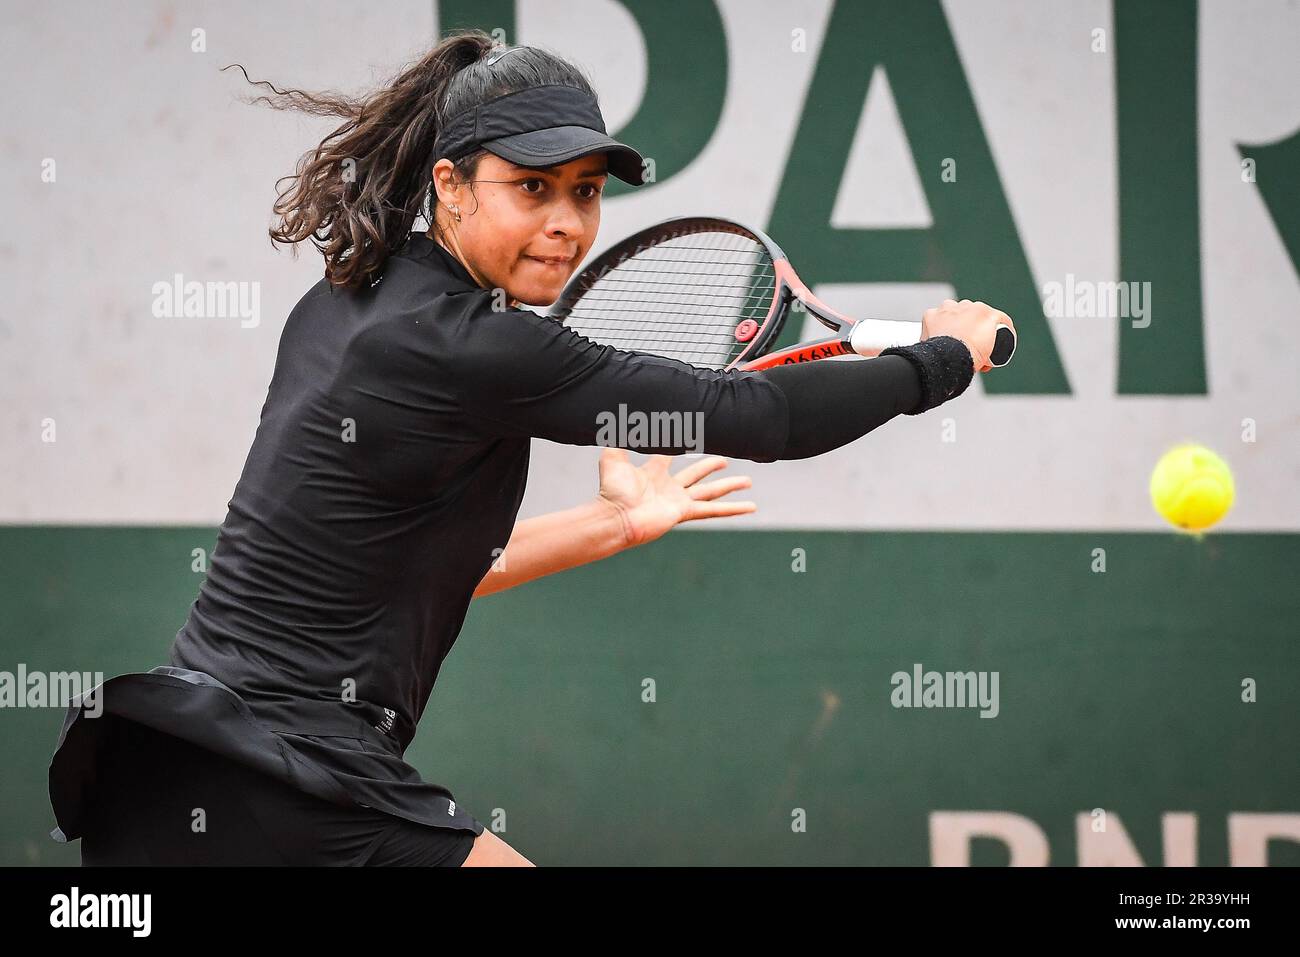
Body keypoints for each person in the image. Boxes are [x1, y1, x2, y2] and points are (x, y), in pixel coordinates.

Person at [48, 31, 1014, 867]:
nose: (565, 223)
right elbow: (763, 418)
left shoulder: (344, 304)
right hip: (288, 784)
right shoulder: (476, 344)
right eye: (532, 188)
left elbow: (406, 575)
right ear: (450, 185)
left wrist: (611, 525)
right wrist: (942, 358)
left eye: (585, 194)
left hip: (166, 782)